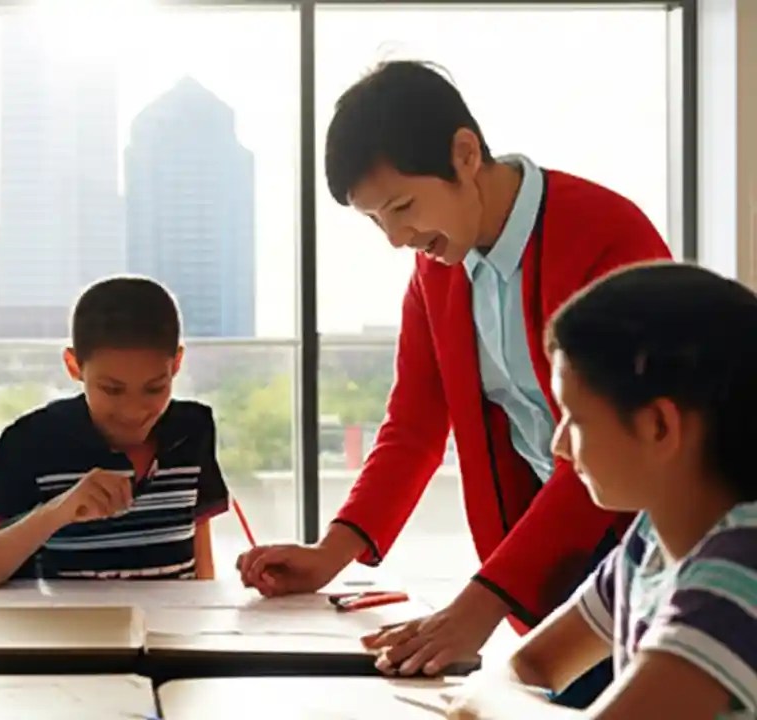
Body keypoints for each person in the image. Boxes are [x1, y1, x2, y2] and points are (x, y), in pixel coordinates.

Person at [236, 60, 671, 703]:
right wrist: (332, 553)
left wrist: (481, 602)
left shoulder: (606, 237)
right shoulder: (436, 270)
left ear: (465, 154)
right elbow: (413, 427)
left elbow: (615, 441)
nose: (396, 238)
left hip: (652, 559)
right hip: (554, 577)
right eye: (376, 219)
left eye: (404, 206)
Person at [445, 262, 757, 719]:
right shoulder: (648, 543)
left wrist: (485, 703)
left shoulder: (741, 565)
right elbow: (531, 663)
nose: (560, 446)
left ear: (658, 425)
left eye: (575, 419)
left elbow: (497, 692)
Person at [0, 276, 230, 588]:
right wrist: (58, 510)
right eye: (112, 390)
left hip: (172, 632)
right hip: (70, 634)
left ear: (176, 364)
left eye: (155, 388)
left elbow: (200, 549)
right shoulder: (31, 440)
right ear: (74, 366)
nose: (133, 411)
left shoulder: (193, 428)